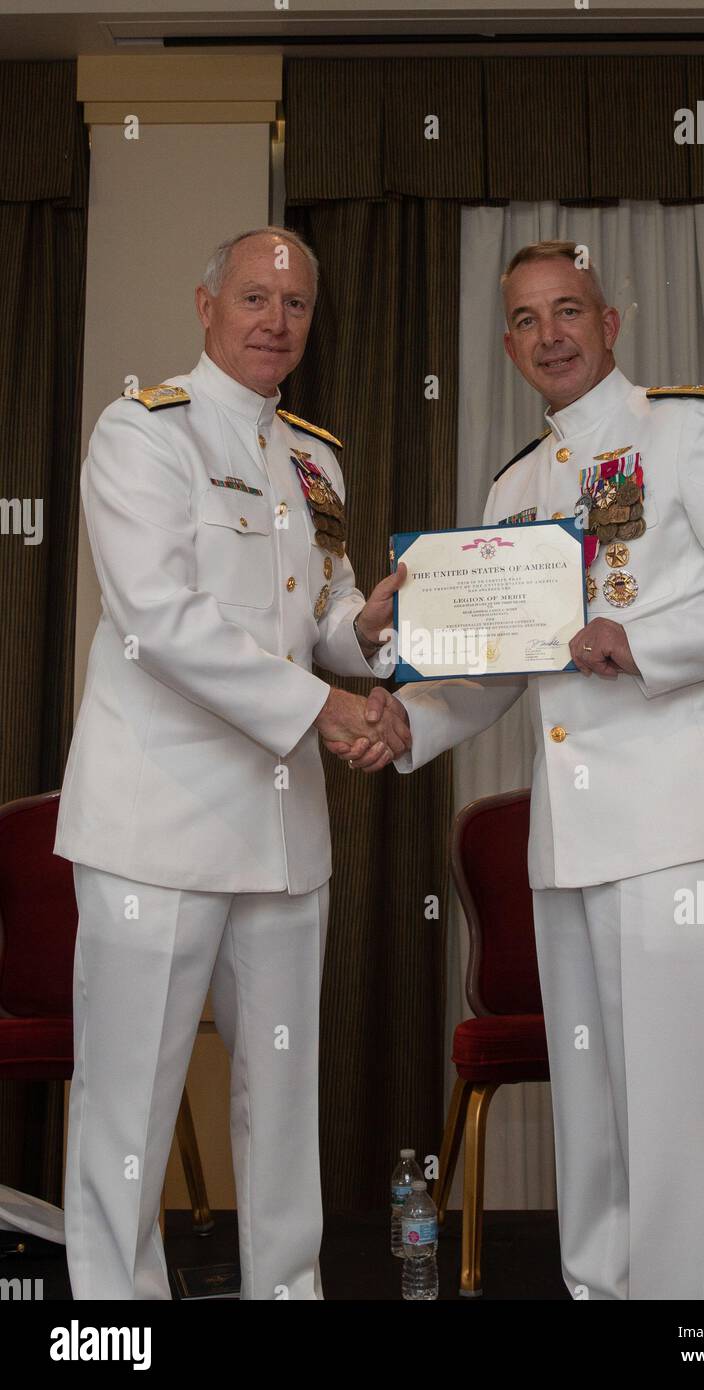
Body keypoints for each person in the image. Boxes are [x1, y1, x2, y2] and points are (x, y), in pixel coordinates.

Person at [330, 241, 704, 1299]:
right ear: (509, 344)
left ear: (611, 322)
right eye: (524, 319)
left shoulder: (691, 428)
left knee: (677, 1101)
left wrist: (641, 640)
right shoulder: (518, 482)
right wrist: (400, 721)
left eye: (568, 310)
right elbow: (499, 666)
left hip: (679, 824)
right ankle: (599, 1294)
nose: (548, 334)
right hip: (569, 836)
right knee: (596, 1102)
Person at [50, 226, 410, 1299]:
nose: (275, 321)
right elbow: (159, 622)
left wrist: (377, 627)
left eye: (295, 304)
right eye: (254, 297)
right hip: (154, 825)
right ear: (205, 305)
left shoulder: (315, 454)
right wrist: (328, 709)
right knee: (128, 1106)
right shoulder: (140, 432)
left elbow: (322, 618)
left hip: (282, 825)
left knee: (283, 1090)